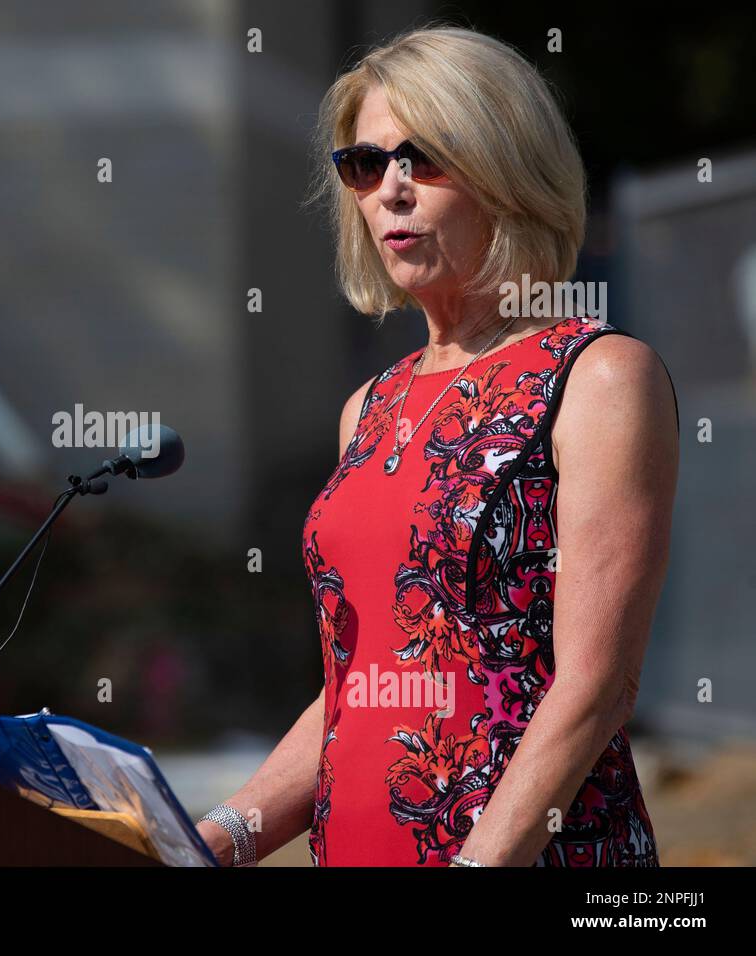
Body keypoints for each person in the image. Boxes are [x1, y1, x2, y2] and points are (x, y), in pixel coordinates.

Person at [195, 25, 678, 867]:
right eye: (365, 165)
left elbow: (596, 688)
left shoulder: (599, 378)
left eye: (425, 158)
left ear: (509, 168)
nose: (392, 189)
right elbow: (360, 689)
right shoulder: (368, 410)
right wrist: (219, 838)